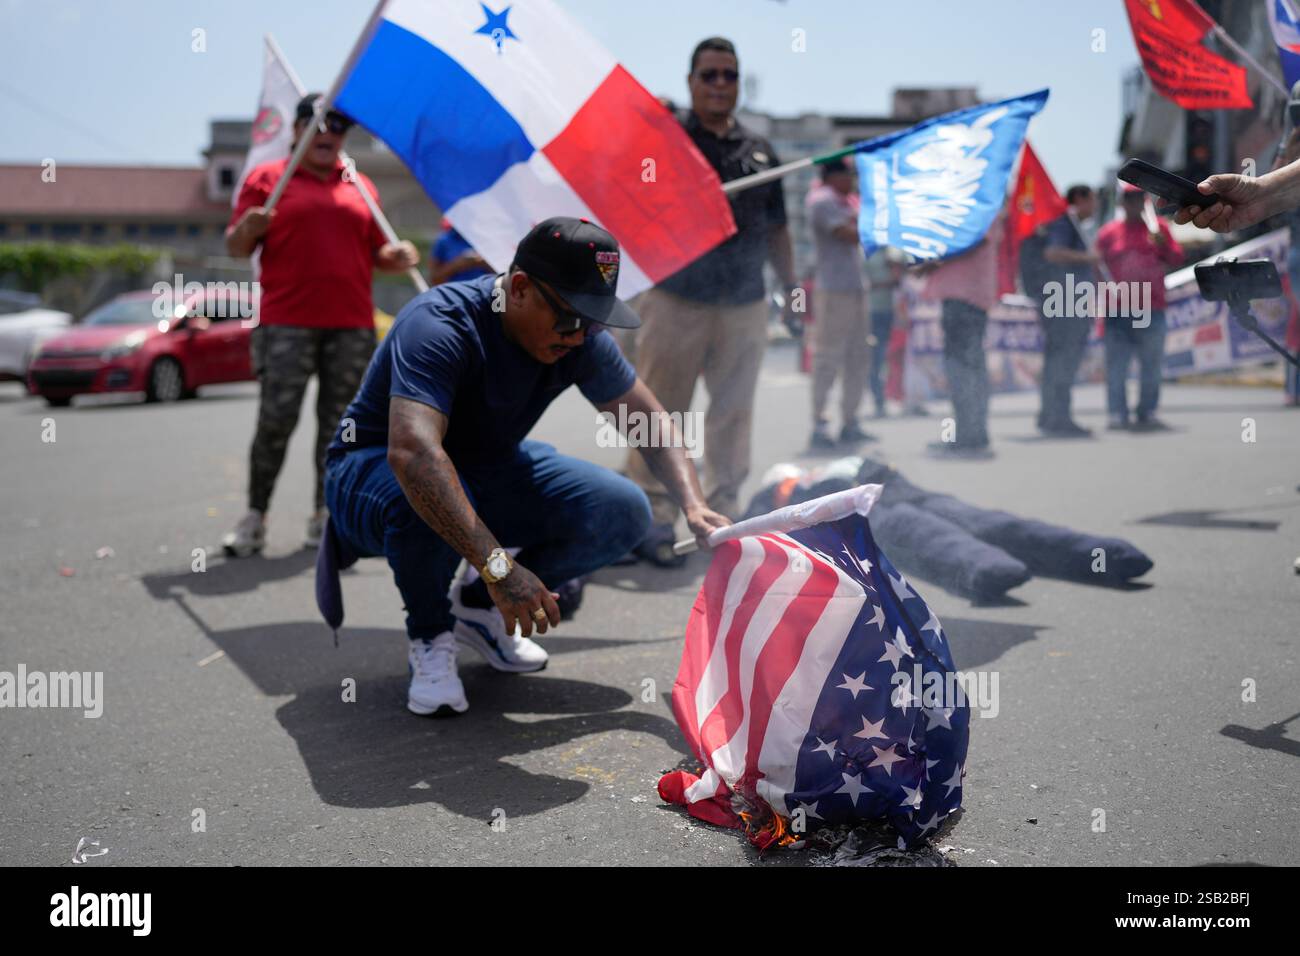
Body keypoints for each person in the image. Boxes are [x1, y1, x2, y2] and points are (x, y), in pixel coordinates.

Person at [320, 217, 731, 716]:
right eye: (571, 318)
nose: (580, 337)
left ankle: (477, 608)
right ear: (518, 288)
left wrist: (694, 504)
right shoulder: (439, 324)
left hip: (486, 467)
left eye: (594, 321)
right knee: (424, 490)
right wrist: (500, 567)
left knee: (624, 509)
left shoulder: (579, 339)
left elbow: (650, 423)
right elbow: (412, 453)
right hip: (370, 473)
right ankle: (430, 634)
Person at [623, 36, 799, 566]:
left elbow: (779, 232)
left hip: (745, 303)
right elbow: (634, 194)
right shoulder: (667, 141)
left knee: (732, 415)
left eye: (730, 75)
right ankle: (650, 515)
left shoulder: (762, 151)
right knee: (657, 412)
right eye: (710, 75)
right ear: (691, 82)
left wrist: (792, 294)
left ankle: (726, 513)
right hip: (676, 297)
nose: (720, 84)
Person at [222, 94, 420, 556]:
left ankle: (326, 517)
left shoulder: (360, 185)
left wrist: (398, 257)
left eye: (338, 125)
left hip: (350, 327)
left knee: (341, 429)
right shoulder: (267, 181)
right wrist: (250, 226)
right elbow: (236, 247)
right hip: (286, 324)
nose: (328, 132)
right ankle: (255, 518)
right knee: (276, 422)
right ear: (296, 130)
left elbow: (376, 256)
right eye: (317, 123)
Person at [1095, 183, 1183, 431]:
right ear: (1122, 203)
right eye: (1129, 199)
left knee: (1151, 365)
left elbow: (1176, 258)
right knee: (1117, 366)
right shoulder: (1108, 233)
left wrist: (1163, 243)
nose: (1133, 204)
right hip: (1118, 311)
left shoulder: (1159, 228)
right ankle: (1116, 412)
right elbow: (1095, 267)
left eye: (1138, 199)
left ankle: (1147, 410)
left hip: (1151, 309)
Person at [921, 217, 1004, 458]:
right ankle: (972, 433)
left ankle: (969, 436)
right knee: (967, 368)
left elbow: (971, 240)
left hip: (965, 299)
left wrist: (932, 261)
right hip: (967, 298)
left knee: (963, 369)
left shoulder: (980, 203)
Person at [806, 157, 873, 448]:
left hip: (855, 288)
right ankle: (821, 424)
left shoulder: (850, 201)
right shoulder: (822, 200)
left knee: (858, 356)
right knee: (828, 358)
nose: (853, 180)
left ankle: (850, 420)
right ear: (833, 175)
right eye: (848, 174)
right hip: (833, 291)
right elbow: (847, 234)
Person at [1036, 184, 1100, 437]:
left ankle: (1050, 415)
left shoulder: (1071, 225)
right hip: (1065, 303)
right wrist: (1088, 259)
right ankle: (1058, 418)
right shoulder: (1066, 223)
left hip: (1067, 301)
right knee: (1064, 361)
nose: (1094, 206)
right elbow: (1053, 252)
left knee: (1058, 362)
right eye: (1092, 200)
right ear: (1081, 199)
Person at [864, 247, 901, 419]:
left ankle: (890, 396)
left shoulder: (894, 252)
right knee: (874, 359)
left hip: (892, 313)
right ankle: (879, 400)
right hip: (872, 313)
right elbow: (864, 284)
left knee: (890, 357)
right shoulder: (867, 254)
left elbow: (904, 275)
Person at [430, 221, 490, 285]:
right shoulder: (444, 241)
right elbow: (434, 278)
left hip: (484, 291)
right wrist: (457, 265)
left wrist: (483, 262)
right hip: (454, 291)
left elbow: (499, 276)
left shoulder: (486, 239)